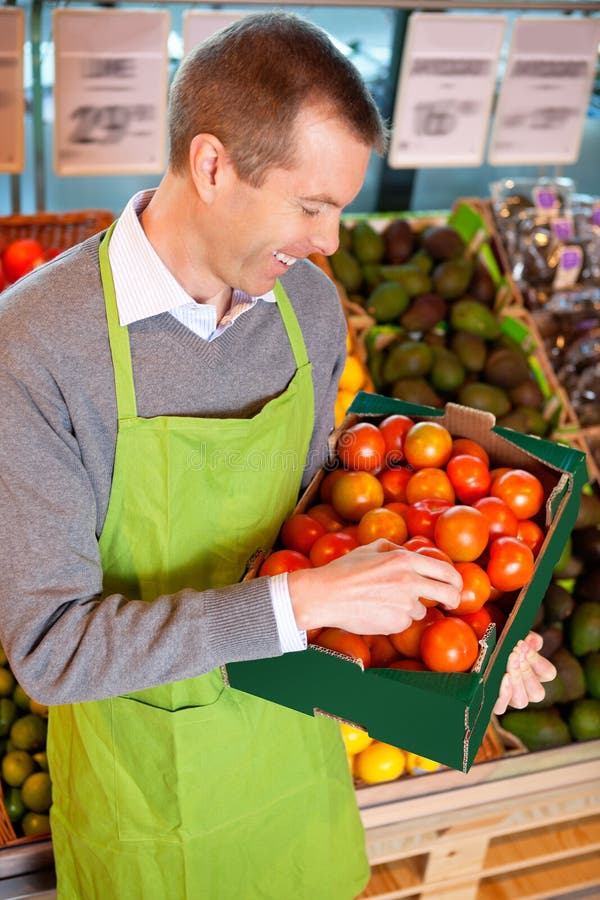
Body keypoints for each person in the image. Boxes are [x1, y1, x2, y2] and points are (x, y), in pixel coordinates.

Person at [0, 11, 555, 899]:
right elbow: (53, 651)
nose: (330, 242)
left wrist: (465, 647)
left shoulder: (310, 311)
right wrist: (302, 601)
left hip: (298, 774)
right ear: (214, 166)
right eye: (312, 207)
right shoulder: (37, 347)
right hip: (149, 801)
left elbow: (316, 534)